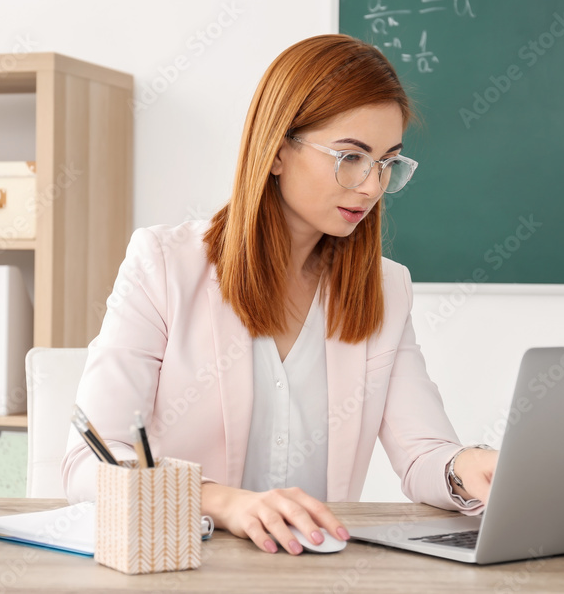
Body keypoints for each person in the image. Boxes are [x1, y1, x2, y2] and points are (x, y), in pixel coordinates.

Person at [62, 34, 498, 555]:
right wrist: (224, 502)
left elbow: (424, 454)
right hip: (186, 567)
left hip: (314, 567)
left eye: (387, 163)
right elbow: (91, 463)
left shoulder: (386, 287)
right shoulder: (163, 265)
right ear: (275, 152)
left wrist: (467, 467)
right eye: (350, 157)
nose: (371, 186)